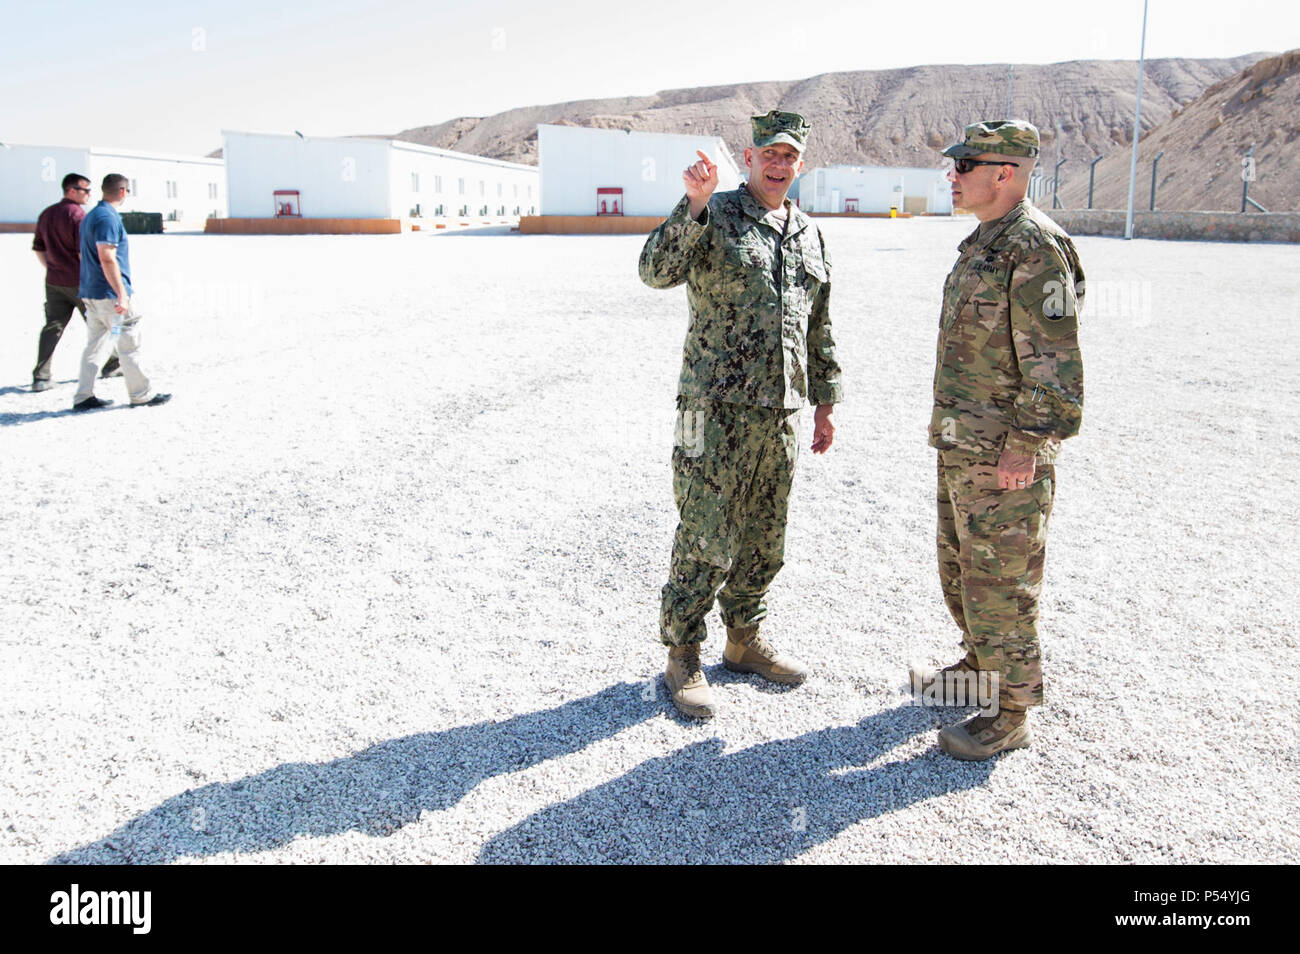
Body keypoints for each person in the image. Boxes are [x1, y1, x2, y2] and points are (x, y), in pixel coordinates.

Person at [639, 110, 842, 719]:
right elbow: (654, 272)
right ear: (749, 159)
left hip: (780, 412)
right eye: (769, 154)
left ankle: (744, 641)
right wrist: (691, 205)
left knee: (763, 536)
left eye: (790, 157)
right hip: (713, 411)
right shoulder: (716, 214)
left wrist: (826, 400)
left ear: (799, 165)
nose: (779, 165)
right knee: (705, 534)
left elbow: (819, 323)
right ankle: (682, 653)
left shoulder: (808, 232)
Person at [912, 119, 1085, 759]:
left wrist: (1025, 448)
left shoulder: (1035, 248)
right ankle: (979, 666)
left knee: (1001, 582)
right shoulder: (986, 241)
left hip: (1003, 452)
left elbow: (1055, 366)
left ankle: (1011, 711)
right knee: (960, 569)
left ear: (1004, 172)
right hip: (963, 442)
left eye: (964, 166)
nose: (951, 176)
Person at [72, 173, 171, 411]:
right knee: (127, 339)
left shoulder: (91, 216)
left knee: (96, 344)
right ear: (124, 192)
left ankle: (83, 395)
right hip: (111, 298)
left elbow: (83, 255)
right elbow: (107, 257)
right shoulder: (107, 218)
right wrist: (122, 294)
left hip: (92, 294)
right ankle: (141, 394)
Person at [30, 173, 120, 391]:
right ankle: (112, 364)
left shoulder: (47, 214)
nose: (89, 194)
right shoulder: (79, 216)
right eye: (85, 190)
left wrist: (53, 268)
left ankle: (41, 377)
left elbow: (39, 248)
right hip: (80, 282)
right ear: (71, 190)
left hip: (53, 281)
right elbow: (84, 254)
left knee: (53, 327)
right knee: (100, 323)